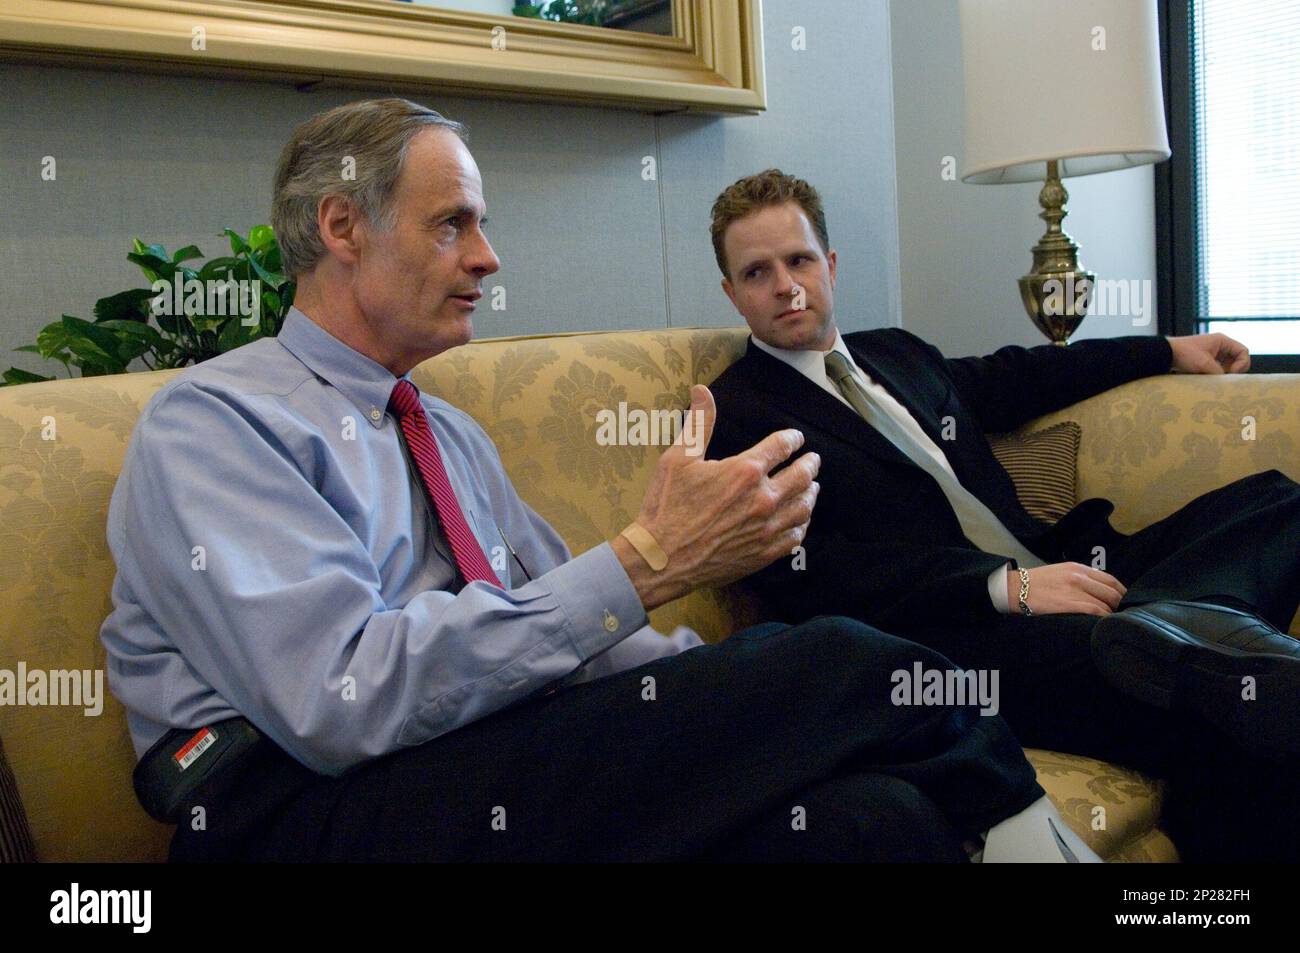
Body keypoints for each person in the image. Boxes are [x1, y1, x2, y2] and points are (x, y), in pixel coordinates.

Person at [98, 99, 1090, 863]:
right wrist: (653, 559)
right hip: (298, 806)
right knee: (840, 659)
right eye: (454, 224)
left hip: (484, 758)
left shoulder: (445, 430)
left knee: (868, 823)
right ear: (343, 226)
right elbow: (344, 699)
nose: (487, 258)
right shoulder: (219, 422)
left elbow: (573, 633)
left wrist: (717, 680)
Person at [703, 168, 1300, 862]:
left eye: (799, 259)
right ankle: (1190, 639)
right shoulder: (738, 413)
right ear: (732, 293)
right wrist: (1003, 585)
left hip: (1074, 564)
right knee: (1224, 719)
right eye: (757, 272)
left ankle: (1166, 625)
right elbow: (816, 575)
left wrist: (1167, 349)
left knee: (1277, 501)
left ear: (830, 264)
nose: (786, 284)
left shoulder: (897, 354)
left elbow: (1021, 375)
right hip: (967, 637)